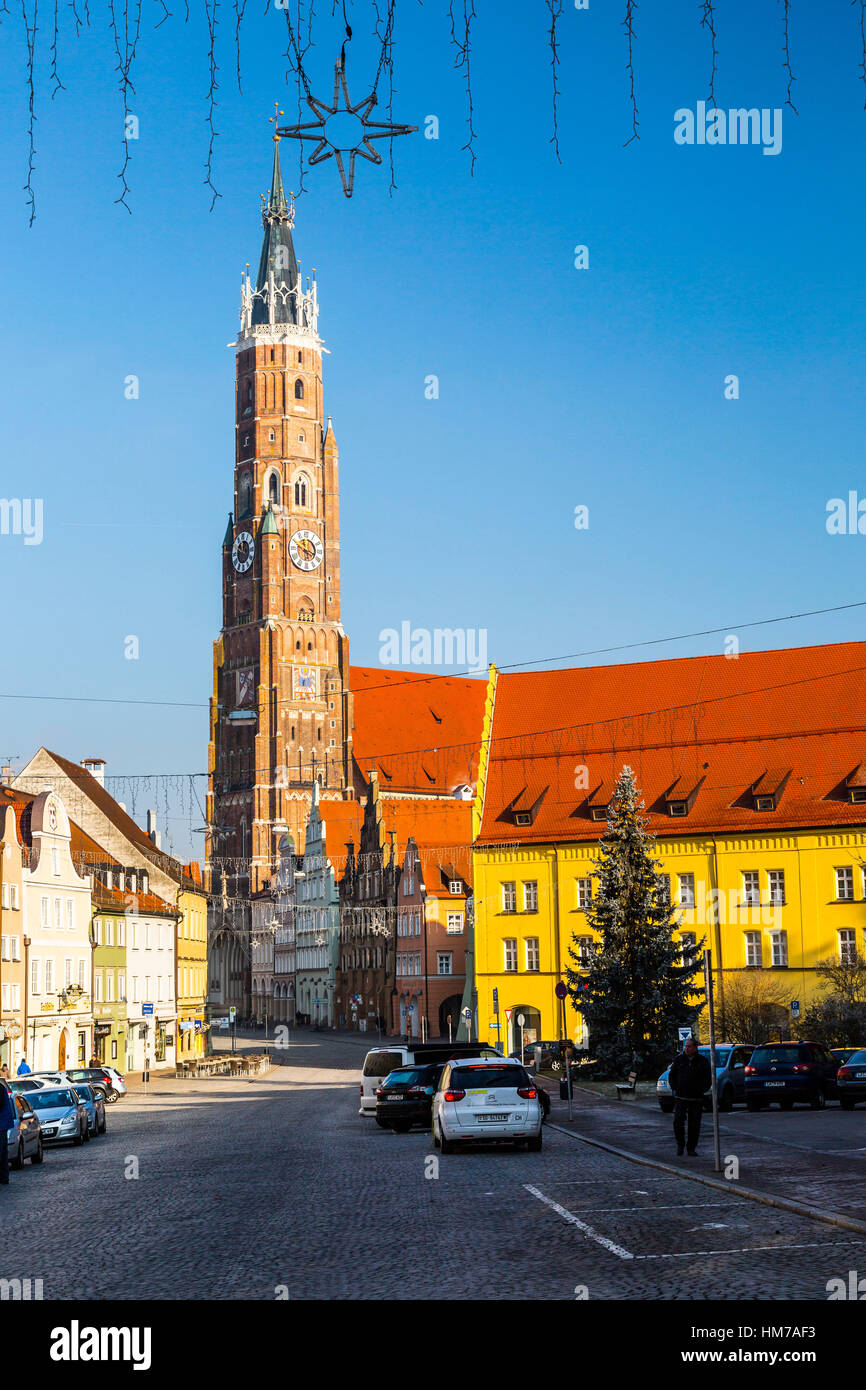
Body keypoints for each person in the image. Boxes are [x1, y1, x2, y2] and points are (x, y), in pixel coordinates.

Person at [669, 1036, 711, 1156]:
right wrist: (675, 1087)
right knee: (678, 1121)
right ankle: (680, 1145)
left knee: (694, 1124)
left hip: (696, 1098)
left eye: (689, 1046)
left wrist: (702, 1089)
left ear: (695, 1048)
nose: (686, 1049)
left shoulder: (702, 1061)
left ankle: (691, 1147)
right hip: (681, 1097)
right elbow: (672, 1075)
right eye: (685, 1046)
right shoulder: (679, 1060)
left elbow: (708, 1078)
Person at [0, 1082, 16, 1184]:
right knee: (3, 1151)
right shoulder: (1, 1087)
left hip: (1, 1124)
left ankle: (3, 1176)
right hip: (3, 1123)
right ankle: (4, 1176)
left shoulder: (0, 1088)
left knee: (1, 1152)